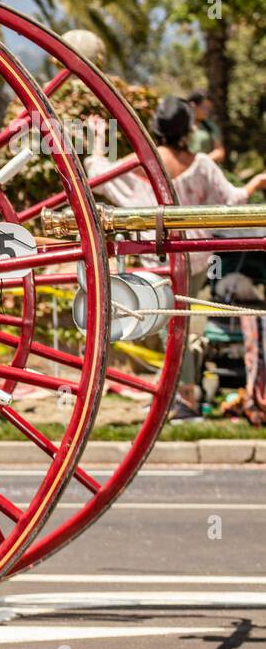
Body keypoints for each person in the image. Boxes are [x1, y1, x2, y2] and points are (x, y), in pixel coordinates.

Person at [86, 96, 266, 420]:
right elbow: (232, 200)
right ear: (189, 128)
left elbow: (98, 175)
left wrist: (98, 142)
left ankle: (178, 397)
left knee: (167, 328)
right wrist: (255, 182)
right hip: (195, 262)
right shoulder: (202, 166)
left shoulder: (141, 164)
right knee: (182, 329)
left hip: (155, 262)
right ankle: (181, 396)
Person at [186, 90, 227, 164]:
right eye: (204, 107)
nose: (207, 111)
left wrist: (201, 162)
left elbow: (220, 151)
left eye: (209, 108)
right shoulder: (180, 125)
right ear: (192, 105)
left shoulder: (210, 127)